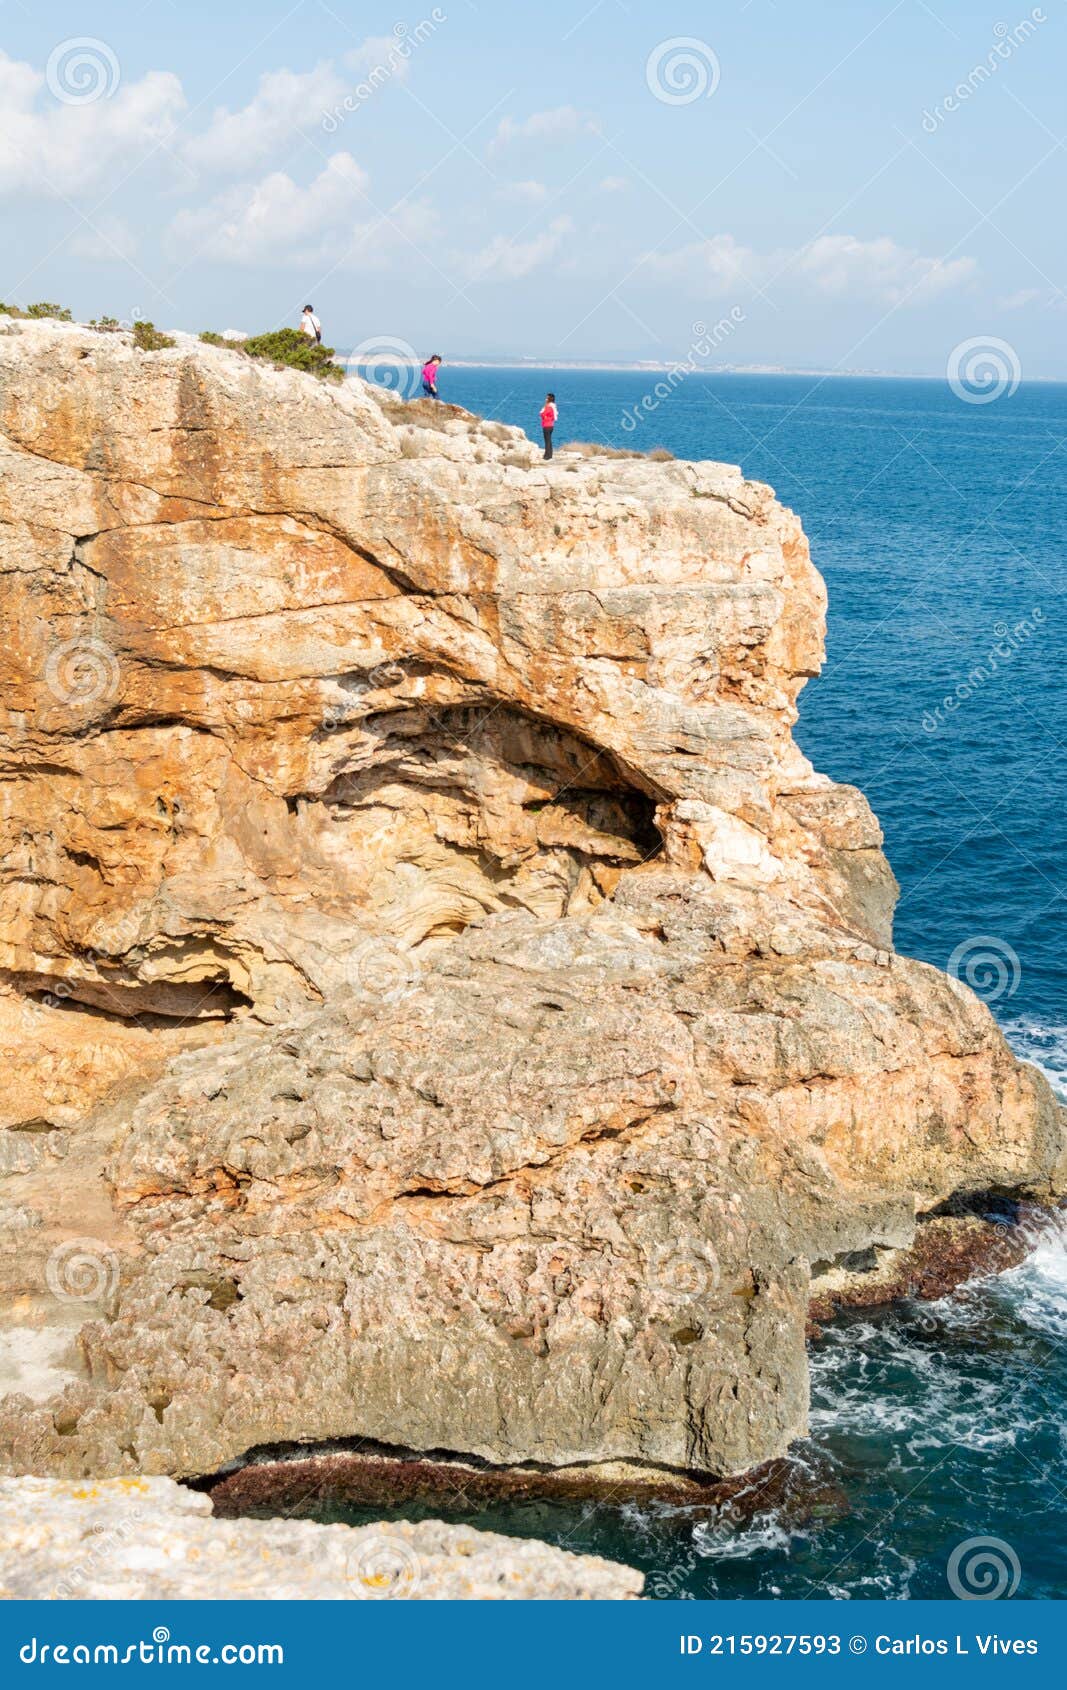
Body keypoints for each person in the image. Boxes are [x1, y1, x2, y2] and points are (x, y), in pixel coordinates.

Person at [540, 392, 558, 459]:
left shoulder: (549, 407)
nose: (545, 399)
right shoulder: (553, 406)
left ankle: (547, 456)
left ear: (549, 399)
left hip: (546, 425)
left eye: (547, 398)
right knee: (549, 440)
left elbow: (542, 414)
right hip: (551, 425)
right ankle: (549, 455)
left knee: (547, 441)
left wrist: (543, 414)